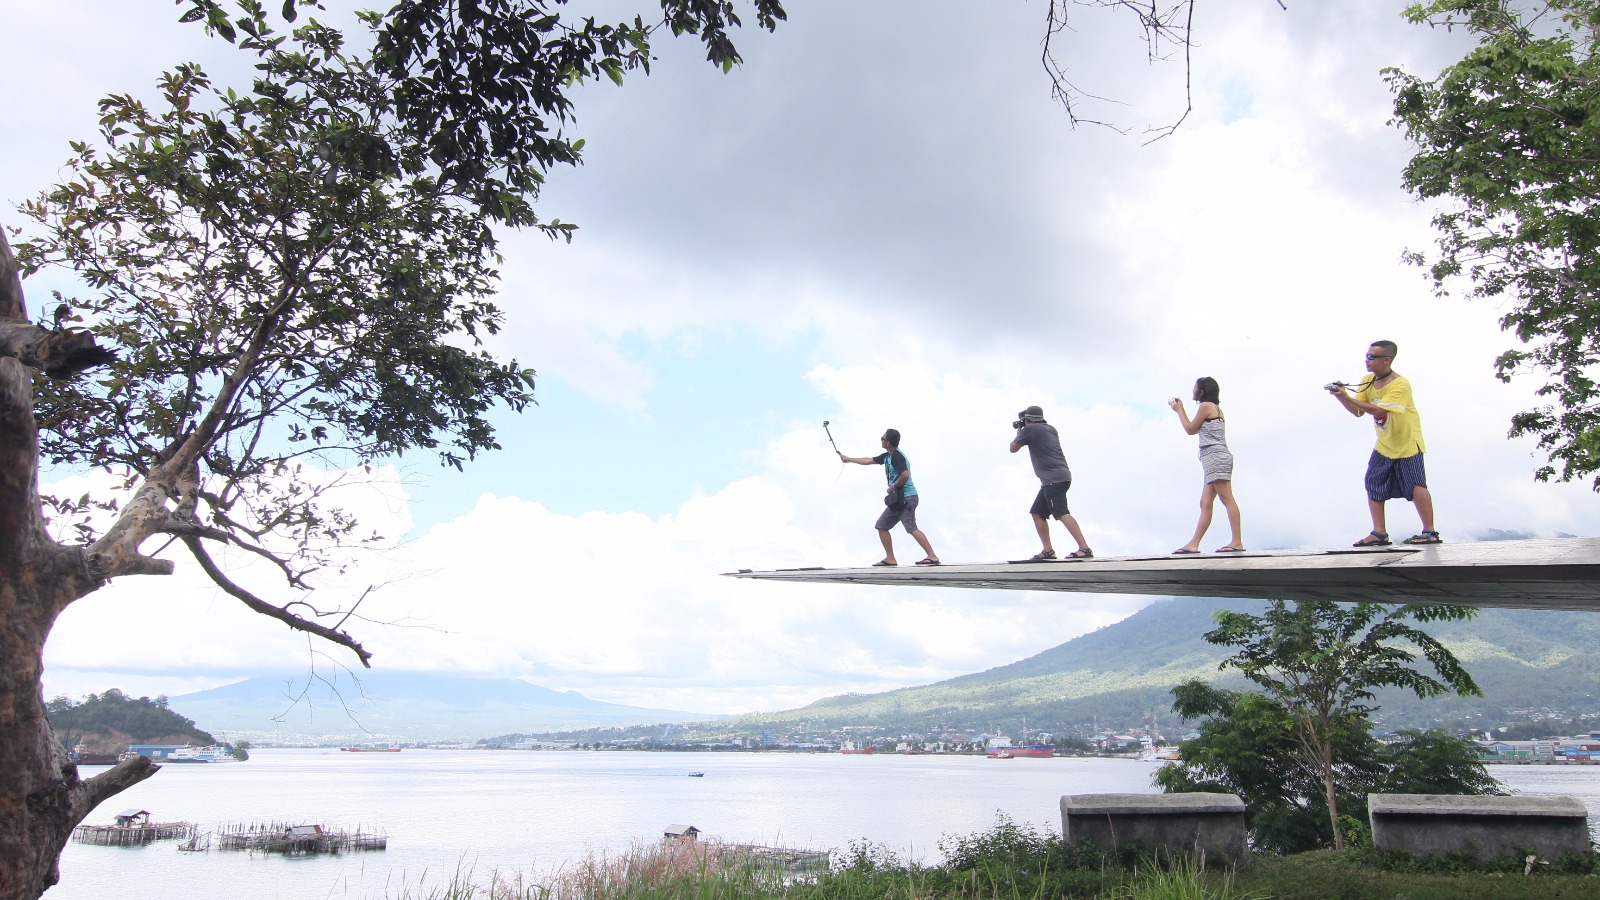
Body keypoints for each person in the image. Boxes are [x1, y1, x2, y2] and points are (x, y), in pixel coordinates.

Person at [1328, 340, 1441, 546]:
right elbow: (1358, 411)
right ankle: (1379, 533)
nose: (1367, 360)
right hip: (1385, 443)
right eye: (1367, 356)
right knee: (1373, 480)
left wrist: (1347, 397)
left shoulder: (1400, 384)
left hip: (1407, 441)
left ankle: (1430, 531)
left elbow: (1380, 410)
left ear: (1387, 360)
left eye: (1372, 357)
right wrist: (1341, 397)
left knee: (1415, 484)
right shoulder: (1368, 381)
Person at [839, 428, 941, 566]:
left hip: (907, 498)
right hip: (897, 499)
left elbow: (905, 475)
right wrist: (849, 459)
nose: (881, 440)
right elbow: (869, 460)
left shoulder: (897, 456)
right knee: (882, 526)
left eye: (883, 438)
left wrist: (893, 487)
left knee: (911, 527)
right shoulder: (887, 455)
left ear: (888, 442)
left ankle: (932, 556)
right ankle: (890, 558)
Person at [1168, 377, 1245, 553]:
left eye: (1195, 388)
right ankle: (1194, 544)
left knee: (1227, 498)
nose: (1193, 391)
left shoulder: (1206, 406)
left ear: (1202, 391)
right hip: (1213, 457)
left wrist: (1179, 410)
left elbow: (1190, 429)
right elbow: (1195, 428)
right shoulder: (1213, 407)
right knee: (1205, 502)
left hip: (1215, 456)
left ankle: (1237, 541)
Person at [1009, 406, 1093, 559]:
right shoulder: (1050, 429)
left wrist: (1019, 432)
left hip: (1053, 480)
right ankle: (1048, 551)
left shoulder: (1030, 429)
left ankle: (1084, 548)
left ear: (1027, 419)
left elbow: (1013, 448)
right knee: (1037, 513)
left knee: (1061, 512)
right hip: (1058, 477)